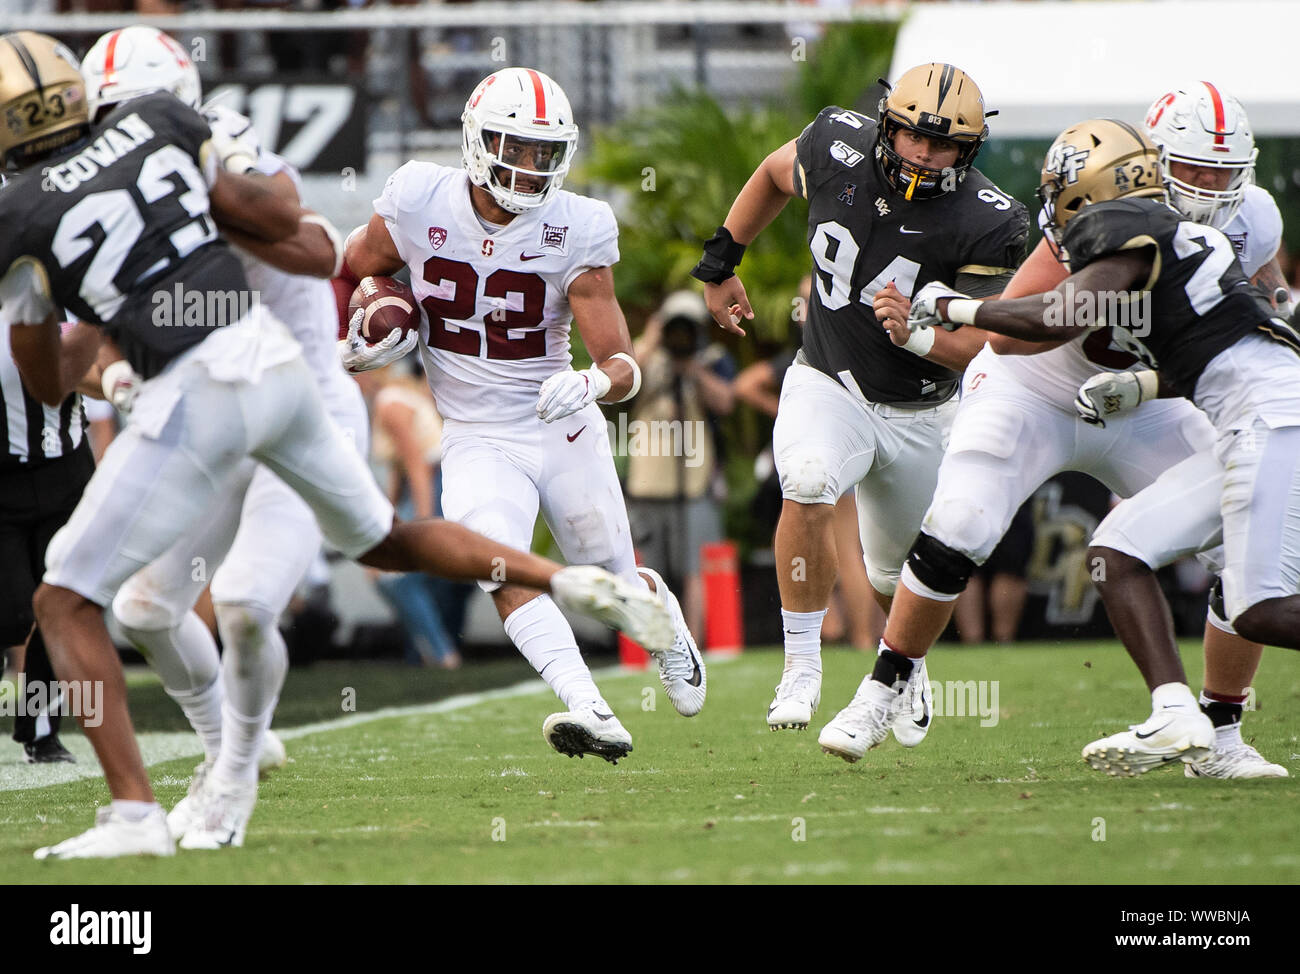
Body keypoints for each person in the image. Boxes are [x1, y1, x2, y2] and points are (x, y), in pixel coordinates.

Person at [0, 31, 671, 860]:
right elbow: (87, 347)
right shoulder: (77, 189)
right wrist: (116, 369)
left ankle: (206, 784)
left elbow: (316, 249)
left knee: (211, 600)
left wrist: (210, 229)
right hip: (238, 391)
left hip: (280, 387)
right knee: (156, 600)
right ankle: (555, 586)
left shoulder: (162, 155)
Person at [894, 119, 1300, 777]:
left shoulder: (1136, 234)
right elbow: (1232, 339)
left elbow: (1054, 315)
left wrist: (955, 307)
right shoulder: (1201, 239)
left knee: (1261, 608)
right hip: (1254, 416)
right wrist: (1142, 387)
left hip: (1272, 422)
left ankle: (1214, 731)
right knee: (1116, 552)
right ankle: (1176, 714)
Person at [340, 68, 705, 764]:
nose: (531, 166)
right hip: (475, 433)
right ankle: (588, 706)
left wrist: (591, 383)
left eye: (545, 152)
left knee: (613, 586)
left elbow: (625, 367)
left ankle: (660, 615)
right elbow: (357, 266)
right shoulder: (419, 196)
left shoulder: (578, 224)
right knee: (499, 566)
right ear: (478, 141)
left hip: (558, 422)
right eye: (517, 146)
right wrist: (367, 332)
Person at [692, 62, 1028, 733]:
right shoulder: (833, 144)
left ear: (969, 150)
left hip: (922, 407)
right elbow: (769, 174)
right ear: (885, 128)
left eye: (944, 146)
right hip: (829, 378)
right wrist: (722, 262)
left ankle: (904, 665)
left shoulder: (990, 218)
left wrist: (920, 338)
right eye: (912, 138)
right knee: (808, 481)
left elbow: (986, 344)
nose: (925, 155)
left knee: (893, 570)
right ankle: (800, 668)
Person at [627, 289, 735, 640]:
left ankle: (692, 643)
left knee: (695, 569)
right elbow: (619, 388)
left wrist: (693, 369)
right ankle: (651, 643)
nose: (680, 335)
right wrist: (652, 339)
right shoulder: (644, 359)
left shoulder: (710, 359)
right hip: (647, 486)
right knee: (646, 571)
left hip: (694, 486)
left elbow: (726, 403)